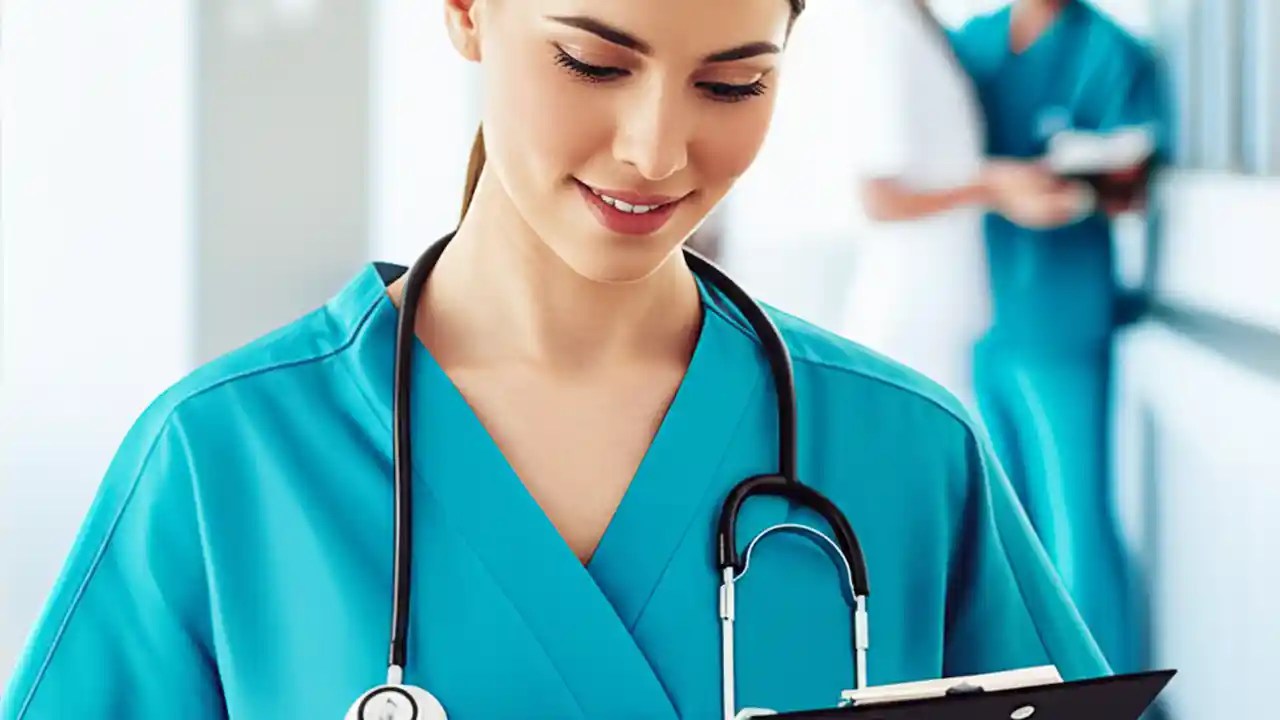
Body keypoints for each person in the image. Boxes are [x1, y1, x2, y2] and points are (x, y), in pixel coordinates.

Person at [1, 1, 1109, 718]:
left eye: (732, 85)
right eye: (590, 61)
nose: (656, 149)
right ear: (467, 12)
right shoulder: (222, 462)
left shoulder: (906, 454)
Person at [949, 0, 1167, 675]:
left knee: (1077, 519)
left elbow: (1135, 182)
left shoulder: (1112, 50)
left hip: (1063, 316)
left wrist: (1076, 190)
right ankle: (1035, 683)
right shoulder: (970, 43)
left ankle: (1105, 691)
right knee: (1011, 528)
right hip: (982, 311)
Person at [840, 0, 1094, 409]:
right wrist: (994, 186)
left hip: (948, 315)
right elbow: (880, 199)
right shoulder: (885, 35)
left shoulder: (929, 29)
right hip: (911, 316)